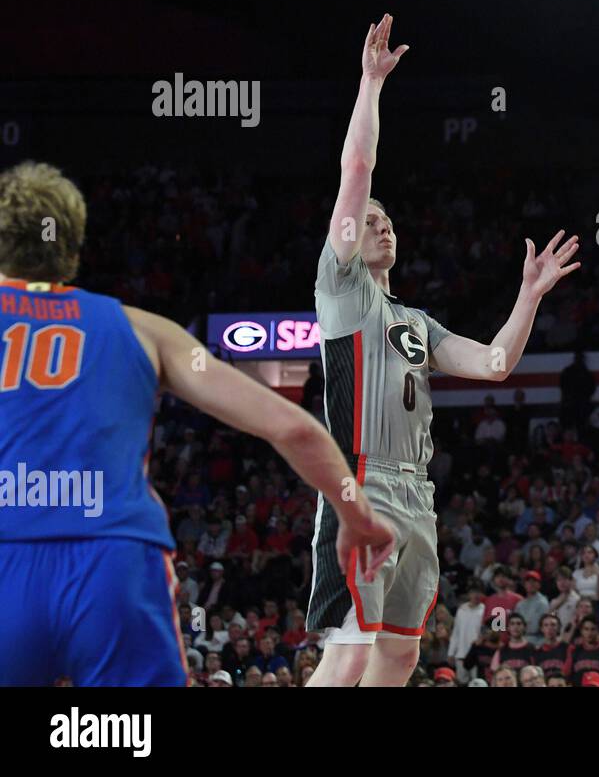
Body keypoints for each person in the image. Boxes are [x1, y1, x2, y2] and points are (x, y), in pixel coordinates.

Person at [0, 161, 394, 687]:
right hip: (113, 566)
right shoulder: (143, 331)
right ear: (73, 245)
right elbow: (293, 428)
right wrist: (357, 516)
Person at [306, 16, 580, 687]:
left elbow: (495, 363)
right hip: (361, 485)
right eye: (369, 220)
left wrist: (530, 295)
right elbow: (358, 167)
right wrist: (370, 84)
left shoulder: (415, 322)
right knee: (347, 654)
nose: (379, 225)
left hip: (416, 494)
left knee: (400, 654)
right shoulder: (342, 289)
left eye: (387, 221)